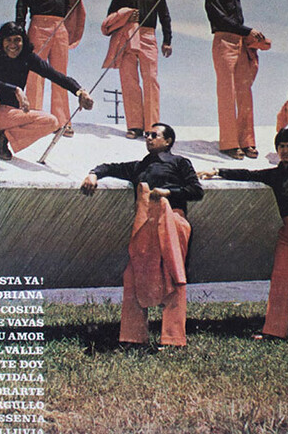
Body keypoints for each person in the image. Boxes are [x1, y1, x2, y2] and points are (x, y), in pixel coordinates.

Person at [198, 128, 288, 340]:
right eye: (281, 146)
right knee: (279, 278)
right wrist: (216, 171)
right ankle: (274, 331)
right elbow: (248, 174)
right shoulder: (275, 174)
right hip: (287, 230)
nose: (285, 150)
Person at [81, 123, 203, 347]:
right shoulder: (139, 166)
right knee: (132, 275)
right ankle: (133, 337)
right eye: (147, 134)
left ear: (168, 141)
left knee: (174, 275)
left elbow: (196, 190)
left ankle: (173, 339)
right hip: (146, 223)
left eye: (154, 135)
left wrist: (168, 192)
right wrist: (93, 174)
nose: (148, 138)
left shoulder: (180, 162)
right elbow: (109, 167)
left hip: (173, 219)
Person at [0, 22, 93, 170]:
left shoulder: (27, 58)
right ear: (1, 42)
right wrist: (15, 89)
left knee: (52, 121)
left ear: (23, 41)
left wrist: (79, 91)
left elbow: (56, 76)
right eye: (8, 40)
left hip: (8, 115)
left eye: (17, 40)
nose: (13, 45)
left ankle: (4, 139)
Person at [15, 0, 91, 137]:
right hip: (38, 25)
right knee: (35, 73)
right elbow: (21, 7)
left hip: (60, 27)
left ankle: (62, 121)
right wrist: (19, 31)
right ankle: (33, 118)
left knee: (60, 74)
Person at [205, 0, 270, 160]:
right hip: (224, 41)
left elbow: (238, 21)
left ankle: (247, 140)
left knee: (244, 92)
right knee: (227, 92)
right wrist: (248, 30)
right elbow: (222, 20)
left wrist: (249, 36)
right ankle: (229, 143)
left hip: (241, 43)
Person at [105, 0, 172, 139]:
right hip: (126, 36)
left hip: (148, 36)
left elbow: (165, 17)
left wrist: (167, 40)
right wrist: (125, 16)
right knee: (129, 80)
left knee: (151, 80)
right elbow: (110, 17)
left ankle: (152, 126)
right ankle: (134, 126)